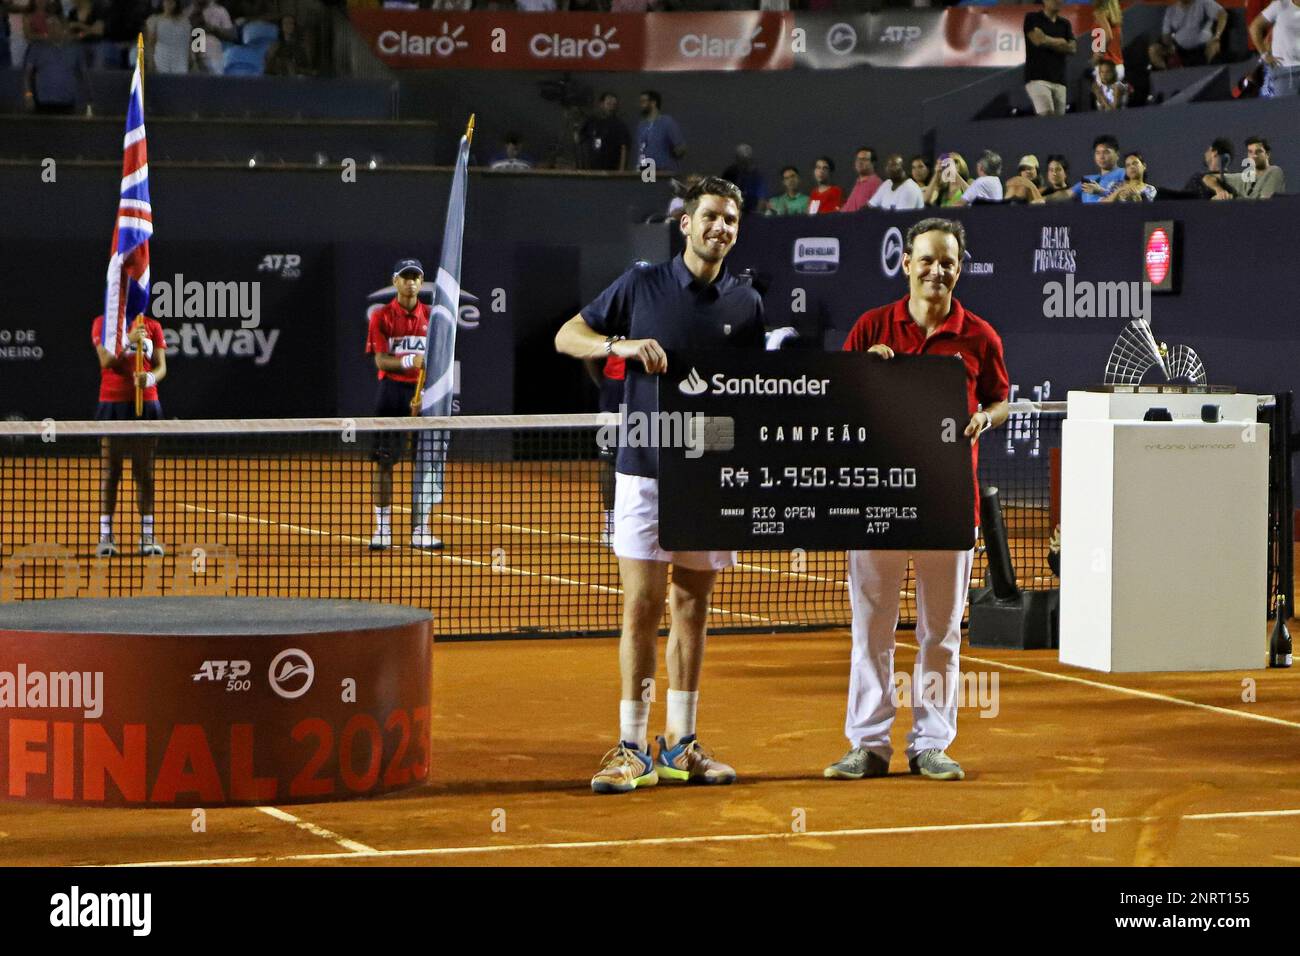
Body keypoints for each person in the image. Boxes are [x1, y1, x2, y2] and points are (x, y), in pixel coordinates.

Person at [553, 177, 764, 795]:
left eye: (729, 220)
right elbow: (569, 337)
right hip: (644, 469)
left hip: (711, 474)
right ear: (686, 224)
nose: (719, 228)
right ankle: (630, 747)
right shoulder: (640, 283)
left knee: (694, 608)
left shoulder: (746, 304)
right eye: (710, 217)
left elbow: (755, 390)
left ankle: (682, 743)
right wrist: (618, 344)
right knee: (642, 607)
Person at [825, 217, 1009, 784]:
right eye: (926, 259)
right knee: (872, 627)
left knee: (941, 633)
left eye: (947, 260)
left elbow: (1001, 399)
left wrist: (984, 417)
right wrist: (865, 373)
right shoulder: (871, 326)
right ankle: (868, 744)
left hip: (948, 503)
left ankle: (931, 742)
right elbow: (836, 401)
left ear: (960, 265)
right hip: (876, 500)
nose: (937, 269)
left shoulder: (979, 335)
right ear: (906, 263)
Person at [365, 258, 442, 552]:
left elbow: (441, 359)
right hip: (392, 392)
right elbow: (381, 360)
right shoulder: (382, 316)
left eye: (416, 277)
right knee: (385, 461)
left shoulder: (434, 318)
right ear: (395, 281)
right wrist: (411, 360)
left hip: (426, 395)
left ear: (421, 282)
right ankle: (382, 529)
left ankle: (420, 529)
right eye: (405, 277)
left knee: (425, 465)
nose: (411, 282)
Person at [91, 313, 168, 559]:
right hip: (112, 404)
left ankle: (147, 536)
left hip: (146, 403)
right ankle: (106, 536)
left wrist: (151, 378)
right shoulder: (103, 323)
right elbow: (106, 360)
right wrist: (127, 339)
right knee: (111, 472)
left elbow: (161, 365)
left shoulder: (152, 326)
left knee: (144, 472)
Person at [1024, 0, 1076, 116]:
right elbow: (1037, 40)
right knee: (1047, 116)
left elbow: (1072, 49)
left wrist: (1047, 39)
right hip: (1037, 79)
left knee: (1059, 124)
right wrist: (1061, 41)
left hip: (1060, 81)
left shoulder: (1065, 23)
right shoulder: (1032, 18)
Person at [1149, 0, 1227, 70]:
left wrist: (1217, 36)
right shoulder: (1171, 10)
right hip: (1180, 50)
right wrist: (1169, 45)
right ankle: (1169, 76)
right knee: (1154, 51)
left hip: (1203, 47)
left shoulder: (1204, 3)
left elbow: (1223, 14)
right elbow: (1165, 35)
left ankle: (1210, 75)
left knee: (1214, 47)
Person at [1251, 0, 1300, 97]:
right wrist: (1264, 55)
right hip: (1285, 73)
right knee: (1287, 111)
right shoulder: (1280, 5)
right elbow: (1255, 27)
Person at [1060, 134, 1125, 202]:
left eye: (1106, 152)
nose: (1101, 157)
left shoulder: (1124, 173)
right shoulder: (1089, 180)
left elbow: (1128, 196)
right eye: (1098, 153)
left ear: (1117, 155)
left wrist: (1101, 191)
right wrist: (1047, 197)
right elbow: (1066, 194)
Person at [635, 90, 686, 175]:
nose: (641, 105)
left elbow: (680, 147)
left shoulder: (667, 122)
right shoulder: (642, 125)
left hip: (663, 170)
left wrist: (675, 153)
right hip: (646, 171)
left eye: (644, 101)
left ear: (653, 103)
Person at [578, 91, 630, 171]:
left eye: (614, 104)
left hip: (611, 168)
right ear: (601, 104)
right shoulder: (591, 121)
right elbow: (580, 140)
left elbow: (624, 147)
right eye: (608, 103)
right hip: (591, 168)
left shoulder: (619, 125)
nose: (611, 106)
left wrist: (621, 170)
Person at [189, 0, 236, 76]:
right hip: (193, 57)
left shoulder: (220, 11)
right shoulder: (188, 12)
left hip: (213, 55)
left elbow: (232, 35)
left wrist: (213, 29)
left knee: (216, 84)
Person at [145, 0, 189, 75]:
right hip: (161, 57)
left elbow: (188, 42)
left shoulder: (184, 21)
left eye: (172, 2)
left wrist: (193, 62)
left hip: (180, 58)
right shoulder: (154, 20)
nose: (169, 4)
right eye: (167, 2)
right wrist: (150, 62)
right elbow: (150, 43)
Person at [721, 143, 767, 215]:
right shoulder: (729, 173)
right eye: (741, 159)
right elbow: (722, 193)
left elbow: (761, 198)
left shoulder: (757, 175)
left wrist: (757, 215)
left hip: (752, 212)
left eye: (746, 159)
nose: (744, 163)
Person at [841, 146, 883, 212]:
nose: (859, 162)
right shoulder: (858, 183)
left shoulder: (876, 183)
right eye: (858, 159)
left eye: (864, 159)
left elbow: (873, 211)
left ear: (873, 163)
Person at [1092, 0, 1125, 81]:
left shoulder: (1100, 13)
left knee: (1100, 93)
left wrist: (1098, 53)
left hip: (1105, 68)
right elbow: (1119, 39)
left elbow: (1108, 35)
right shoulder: (1115, 16)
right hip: (1119, 65)